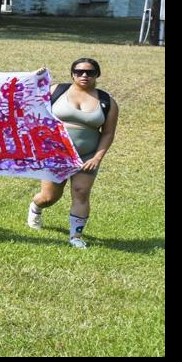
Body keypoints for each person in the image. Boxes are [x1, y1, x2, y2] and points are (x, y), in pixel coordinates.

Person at [29, 57, 118, 248]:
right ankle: (36, 208)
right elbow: (26, 99)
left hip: (87, 157)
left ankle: (75, 237)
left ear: (97, 75)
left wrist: (97, 157)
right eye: (79, 72)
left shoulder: (106, 101)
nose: (84, 75)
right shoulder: (56, 91)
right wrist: (36, 80)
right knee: (49, 197)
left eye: (90, 72)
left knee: (81, 192)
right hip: (56, 155)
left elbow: (108, 133)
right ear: (72, 74)